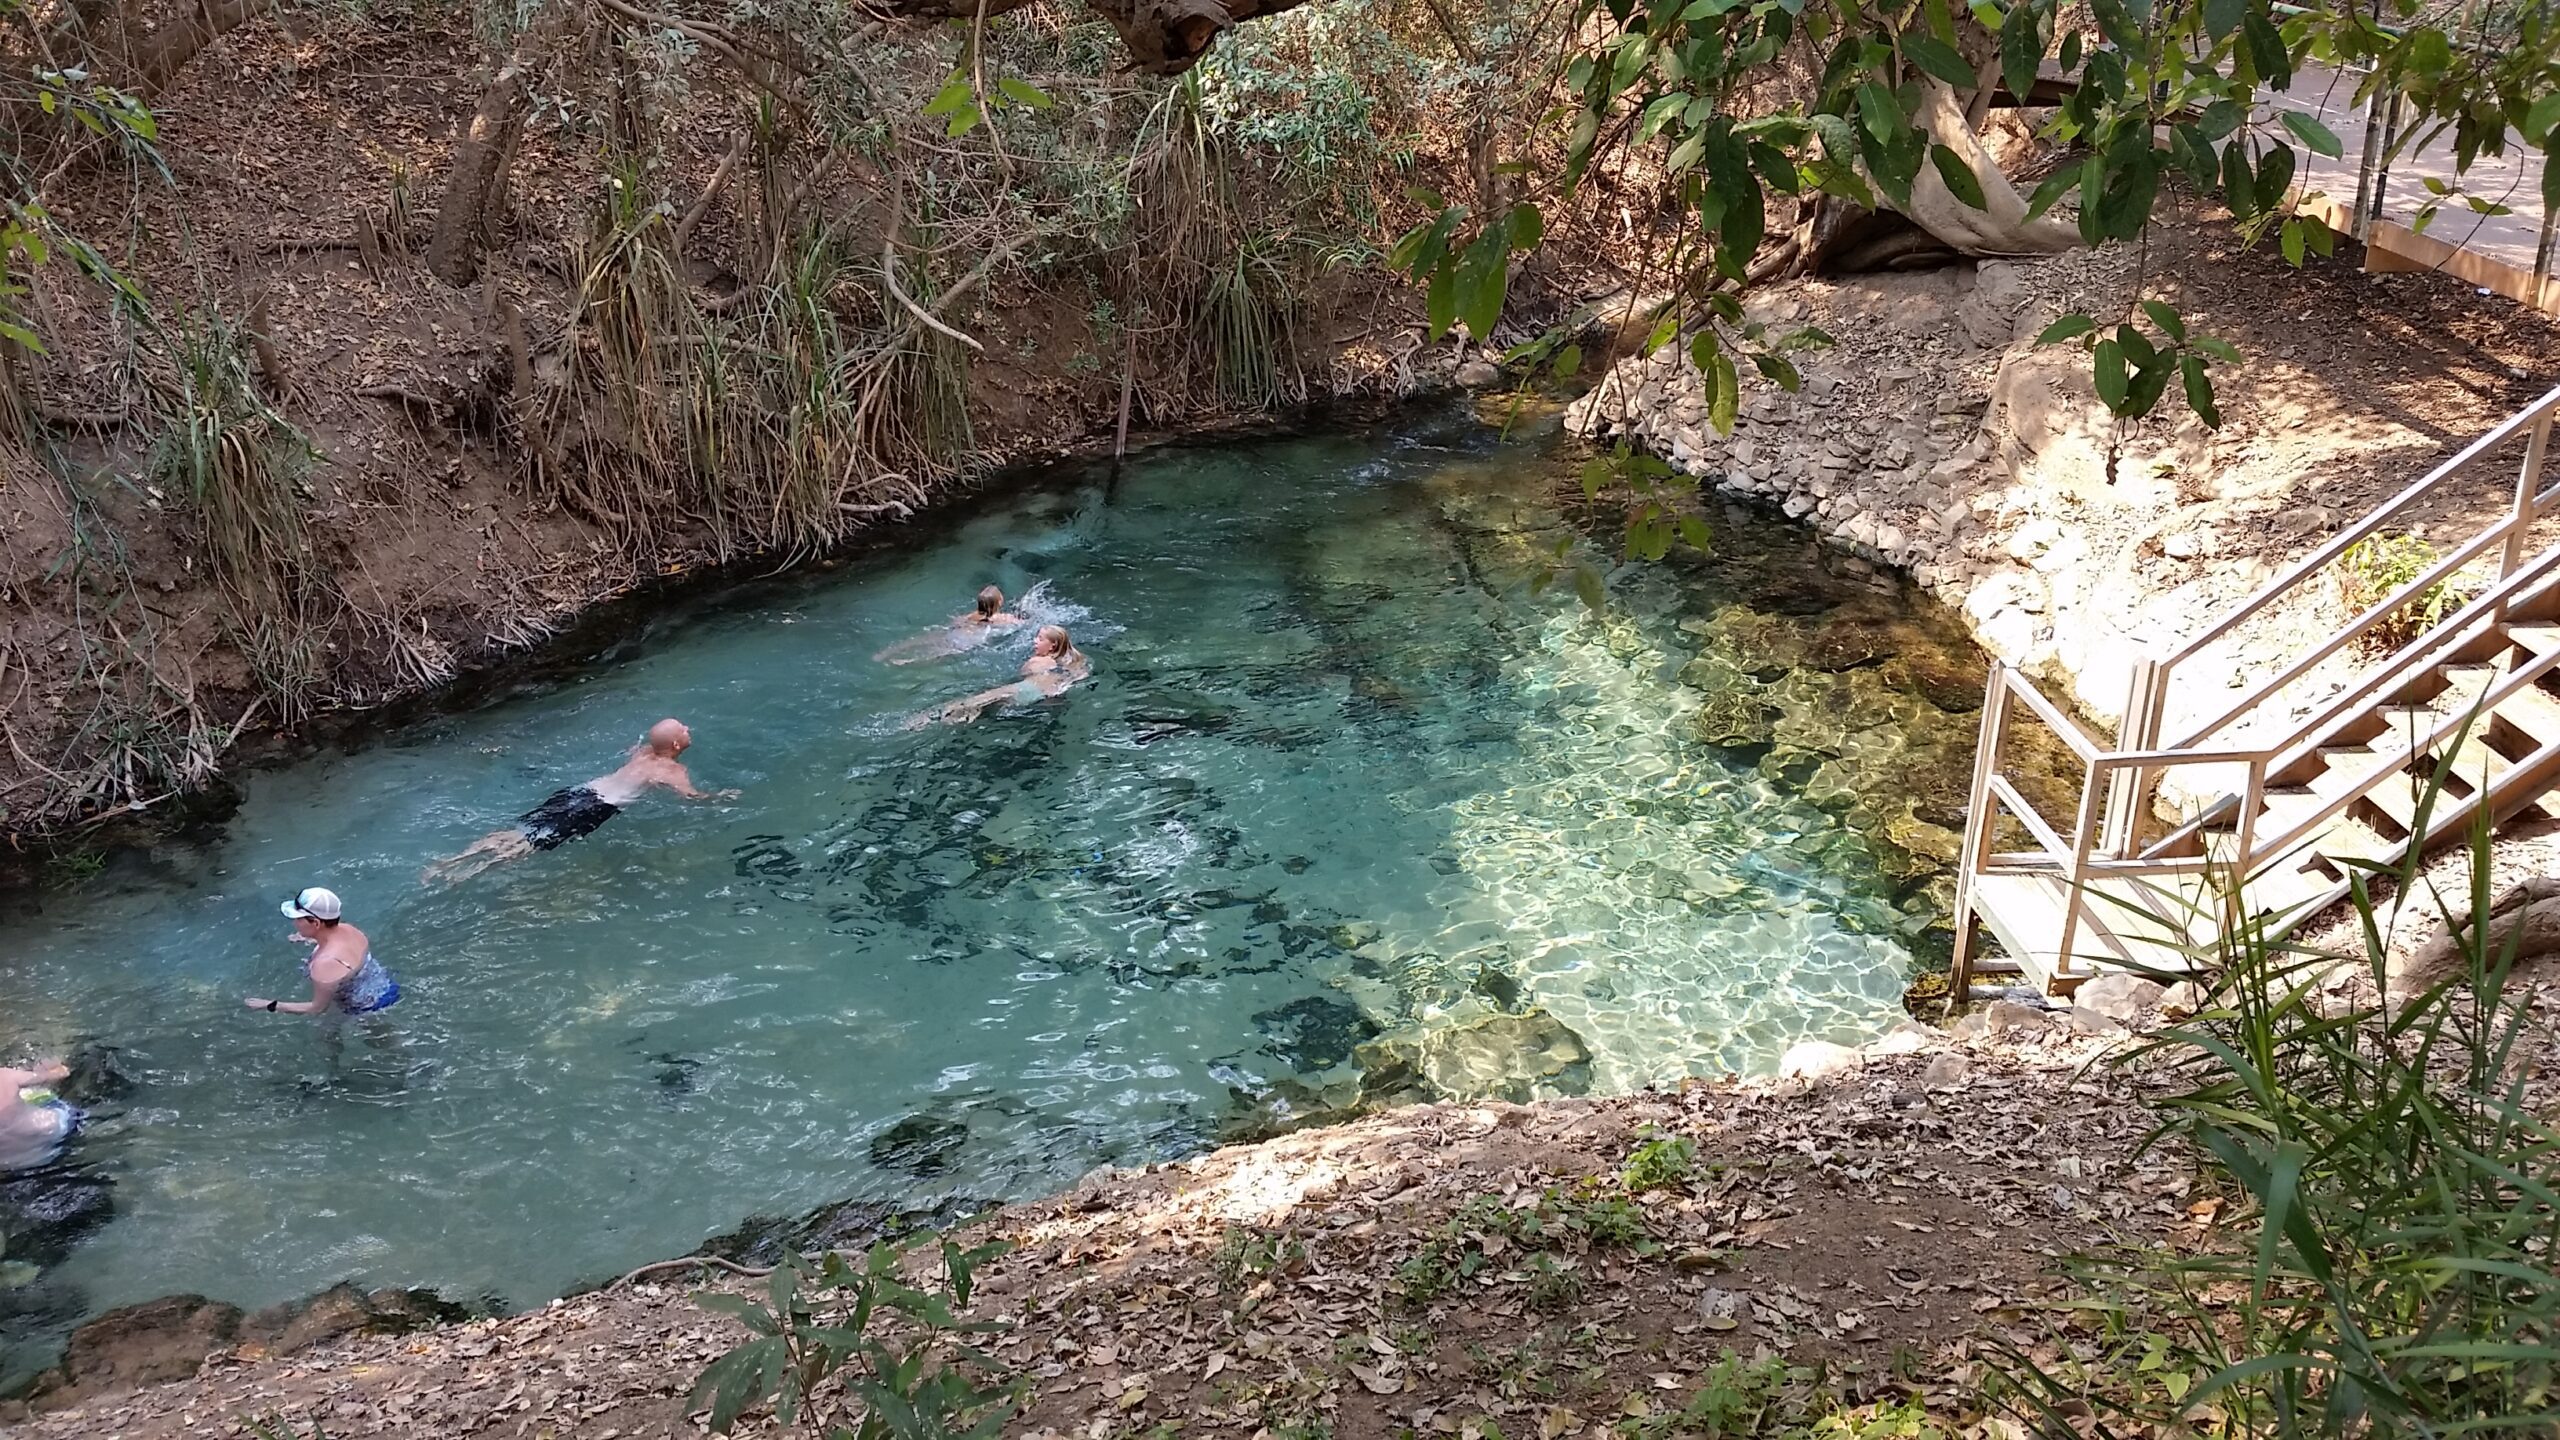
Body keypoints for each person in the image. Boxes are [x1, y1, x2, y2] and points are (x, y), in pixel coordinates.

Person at [423, 718, 737, 884]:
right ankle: (466, 872)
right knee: (529, 845)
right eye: (683, 729)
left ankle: (451, 860)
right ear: (677, 744)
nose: (688, 729)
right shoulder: (671, 769)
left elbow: (632, 752)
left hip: (579, 792)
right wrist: (720, 797)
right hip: (595, 808)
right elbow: (691, 797)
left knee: (521, 830)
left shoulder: (644, 753)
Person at [245, 887, 401, 1018]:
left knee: (326, 1033)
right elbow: (341, 950)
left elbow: (317, 1008)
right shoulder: (349, 930)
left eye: (298, 919)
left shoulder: (325, 964)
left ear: (316, 923)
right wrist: (312, 937)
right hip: (384, 984)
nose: (294, 923)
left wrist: (270, 1005)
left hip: (367, 1008)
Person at [907, 624, 1090, 728]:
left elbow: (1022, 676)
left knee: (968, 703)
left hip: (1023, 689)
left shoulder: (1036, 661)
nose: (1034, 641)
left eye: (1040, 639)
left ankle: (921, 722)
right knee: (983, 709)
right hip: (1038, 696)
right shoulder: (1071, 661)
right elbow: (1079, 675)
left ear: (1053, 645)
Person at [875, 585, 1026, 665]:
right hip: (968, 641)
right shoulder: (1002, 618)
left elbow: (957, 621)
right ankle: (907, 661)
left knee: (922, 639)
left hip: (955, 633)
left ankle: (885, 653)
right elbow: (1022, 624)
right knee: (940, 654)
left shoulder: (973, 614)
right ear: (1000, 601)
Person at [0, 1058, 79, 1172]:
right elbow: (61, 1074)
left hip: (9, 1164)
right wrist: (59, 1068)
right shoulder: (4, 1075)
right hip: (49, 1137)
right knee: (47, 1099)